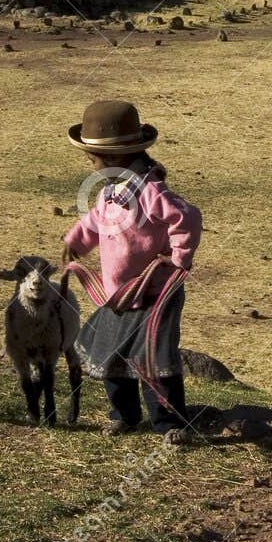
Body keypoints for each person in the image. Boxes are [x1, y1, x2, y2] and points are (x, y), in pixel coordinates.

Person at [63, 100, 201, 442]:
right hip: (118, 295)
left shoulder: (152, 192)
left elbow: (187, 218)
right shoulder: (110, 192)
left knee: (154, 358)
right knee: (112, 351)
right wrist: (77, 241)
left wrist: (179, 258)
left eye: (92, 160)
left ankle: (170, 424)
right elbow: (95, 222)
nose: (90, 166)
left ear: (113, 159)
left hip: (154, 293)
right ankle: (123, 415)